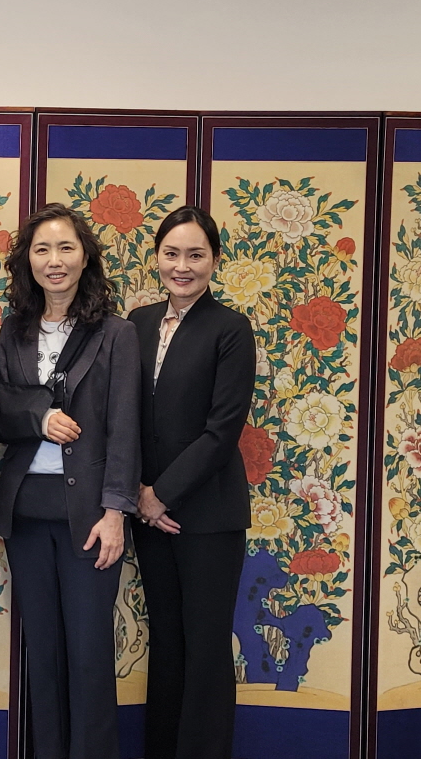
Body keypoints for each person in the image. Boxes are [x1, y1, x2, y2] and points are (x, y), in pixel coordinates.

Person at [0, 204, 140, 759]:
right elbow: (0, 415)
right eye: (42, 249)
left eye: (66, 248)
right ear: (27, 260)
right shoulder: (14, 331)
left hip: (90, 519)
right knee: (42, 654)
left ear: (86, 257)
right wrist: (39, 417)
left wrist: (117, 511)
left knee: (89, 655)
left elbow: (125, 427)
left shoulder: (116, 334)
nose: (54, 261)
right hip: (27, 513)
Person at [128, 207, 258, 759]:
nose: (182, 266)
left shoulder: (230, 329)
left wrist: (160, 495)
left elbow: (221, 430)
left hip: (206, 516)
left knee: (205, 652)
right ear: (156, 258)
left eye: (196, 255)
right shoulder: (134, 323)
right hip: (144, 511)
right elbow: (123, 416)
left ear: (214, 261)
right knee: (167, 647)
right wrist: (136, 491)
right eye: (172, 254)